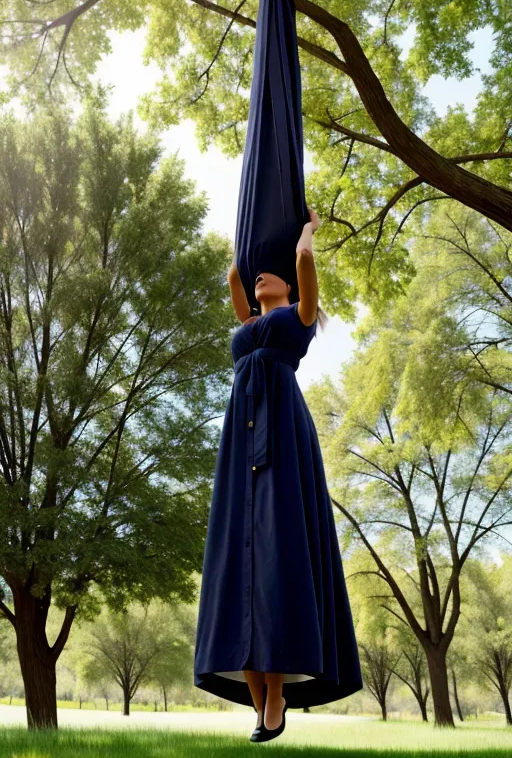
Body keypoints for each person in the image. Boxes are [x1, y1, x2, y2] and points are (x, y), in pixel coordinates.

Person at [193, 208, 363, 743]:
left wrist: (306, 226)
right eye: (259, 275)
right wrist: (247, 230)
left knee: (274, 555)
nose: (260, 276)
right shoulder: (248, 326)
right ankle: (264, 702)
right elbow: (234, 275)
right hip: (241, 438)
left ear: (288, 286)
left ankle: (277, 697)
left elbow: (305, 258)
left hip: (282, 431)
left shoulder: (299, 317)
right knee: (238, 561)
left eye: (272, 274)